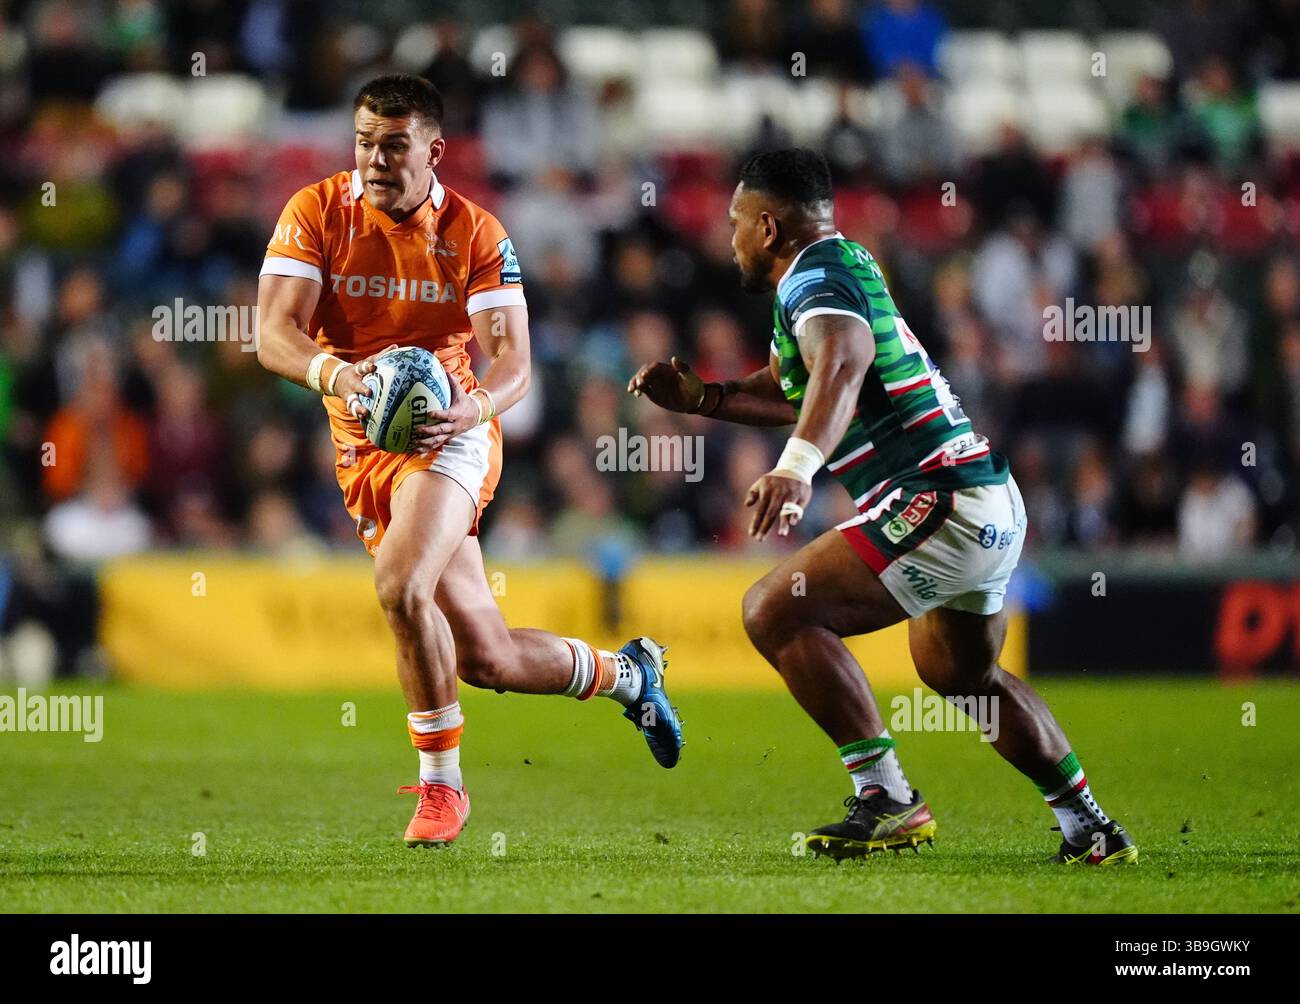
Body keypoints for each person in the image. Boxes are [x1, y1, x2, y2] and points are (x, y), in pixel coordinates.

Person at [629, 148, 1136, 865]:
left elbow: (842, 360)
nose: (730, 235)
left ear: (769, 227)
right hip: (984, 498)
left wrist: (797, 469)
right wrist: (704, 399)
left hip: (936, 496)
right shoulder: (833, 269)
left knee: (775, 609)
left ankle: (887, 797)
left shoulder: (816, 277)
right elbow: (794, 389)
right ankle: (1090, 825)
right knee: (961, 675)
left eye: (737, 221)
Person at [256, 74, 682, 849]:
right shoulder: (316, 211)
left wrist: (474, 408)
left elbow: (515, 362)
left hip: (449, 431)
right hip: (363, 445)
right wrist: (342, 377)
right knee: (486, 657)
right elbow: (273, 333)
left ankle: (441, 789)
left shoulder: (477, 233)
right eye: (364, 143)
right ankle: (628, 675)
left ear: (434, 149)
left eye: (393, 145)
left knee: (400, 585)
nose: (375, 160)